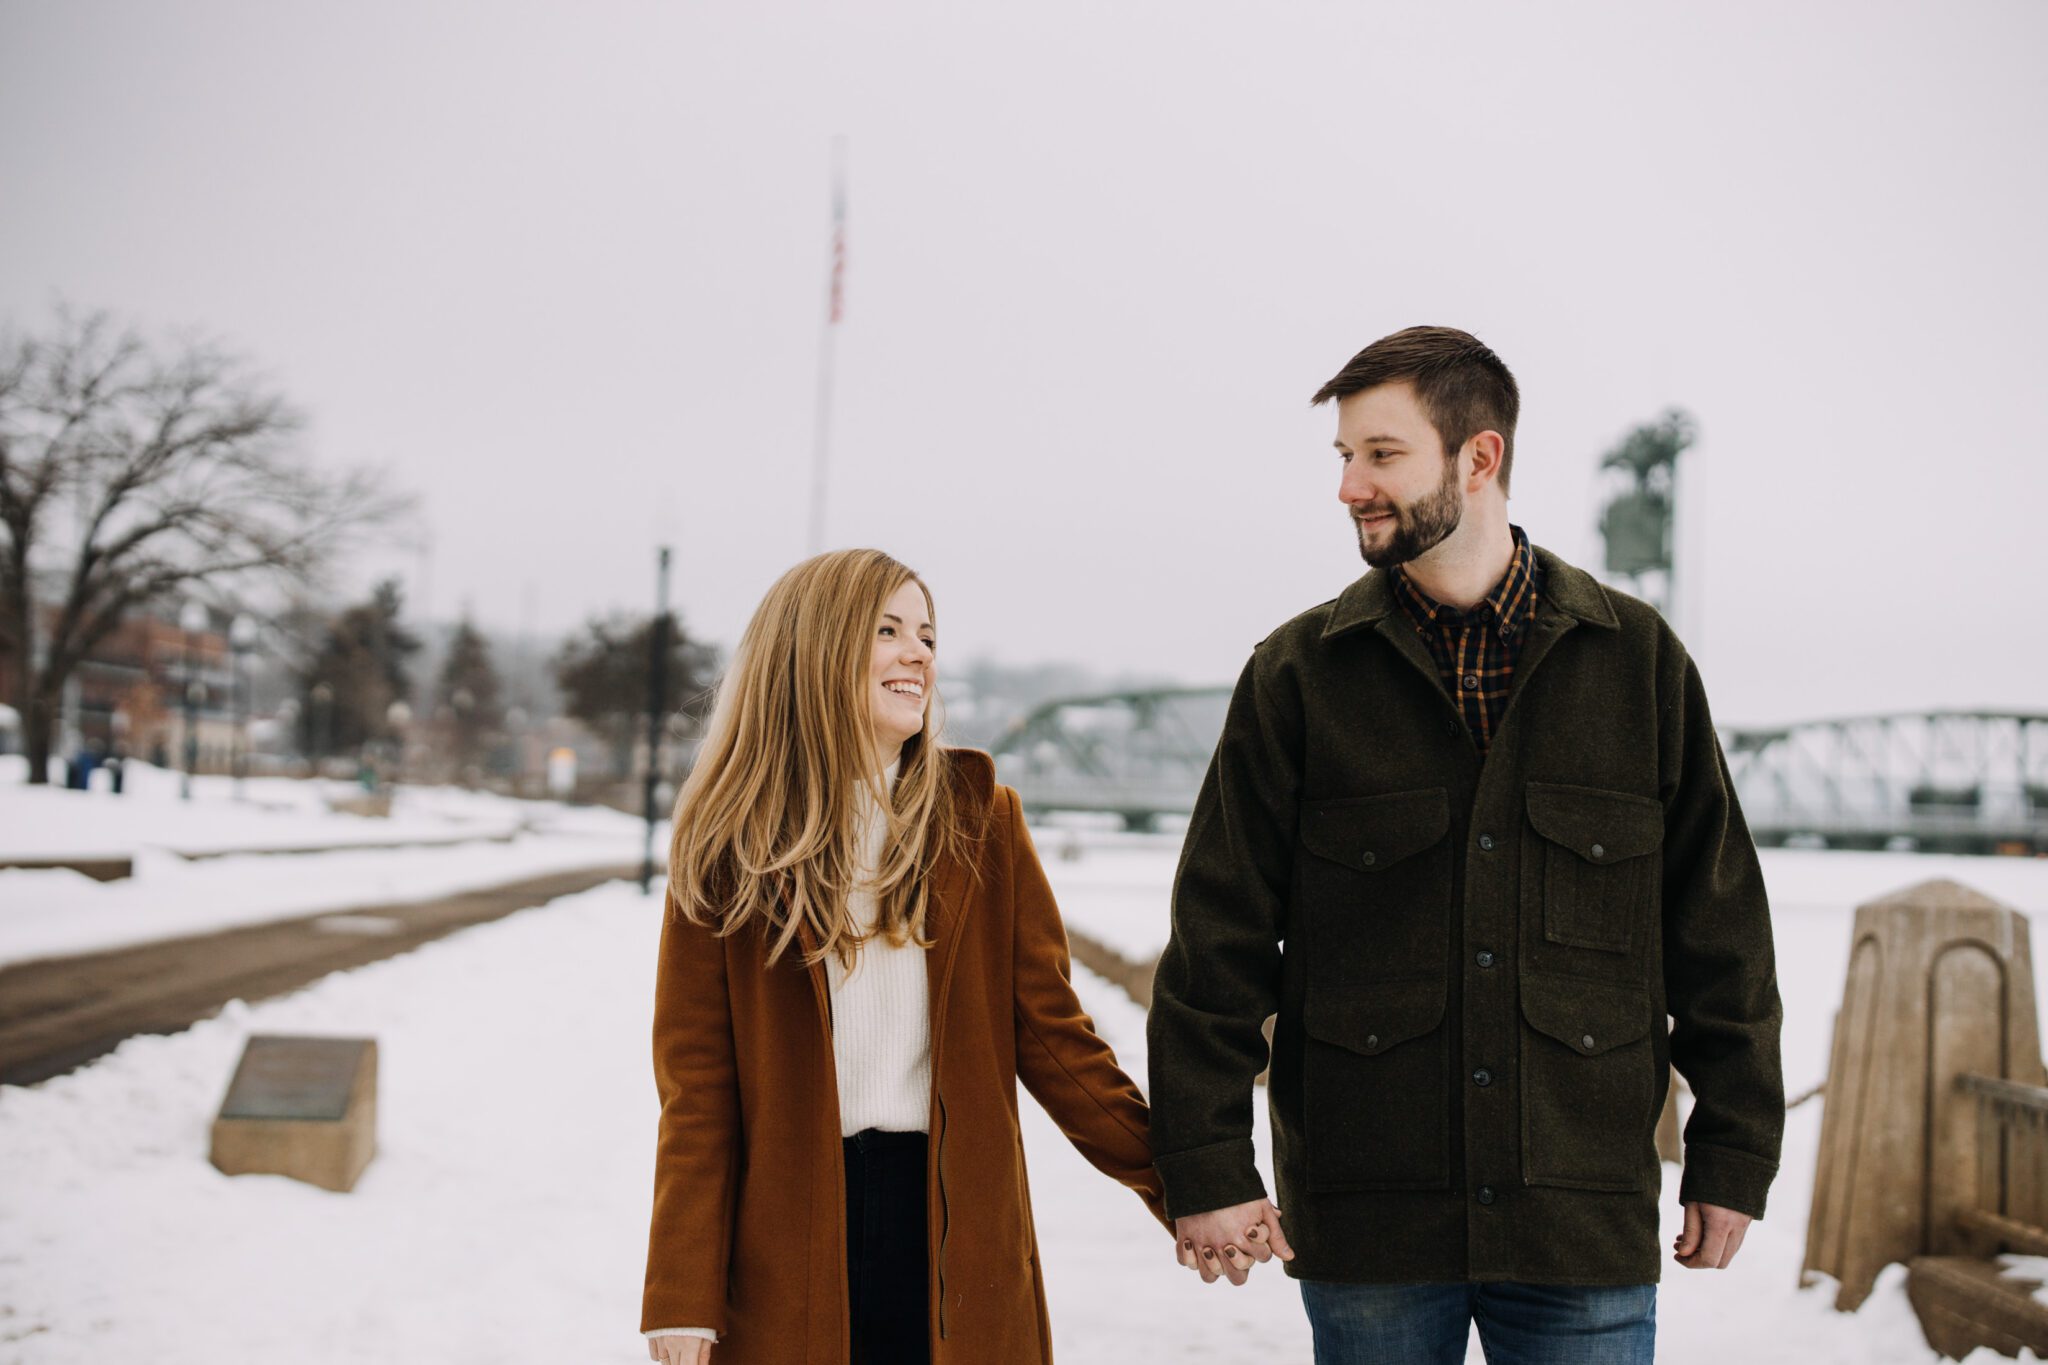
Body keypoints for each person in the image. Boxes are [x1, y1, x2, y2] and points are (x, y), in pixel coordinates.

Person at [1145, 327, 1785, 1363]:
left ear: (1478, 457)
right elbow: (1215, 943)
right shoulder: (1297, 675)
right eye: (1343, 456)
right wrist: (1207, 1163)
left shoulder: (1639, 664)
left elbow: (1722, 936)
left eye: (1380, 454)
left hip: (1580, 1220)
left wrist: (1734, 1151)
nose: (1348, 486)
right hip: (1369, 1224)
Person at [639, 548, 1169, 1365]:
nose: (918, 653)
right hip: (788, 1244)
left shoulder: (981, 823)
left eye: (927, 635)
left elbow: (1059, 1046)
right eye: (887, 630)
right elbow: (698, 1093)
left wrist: (1184, 1183)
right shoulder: (727, 847)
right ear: (815, 648)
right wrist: (682, 1292)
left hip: (958, 1240)